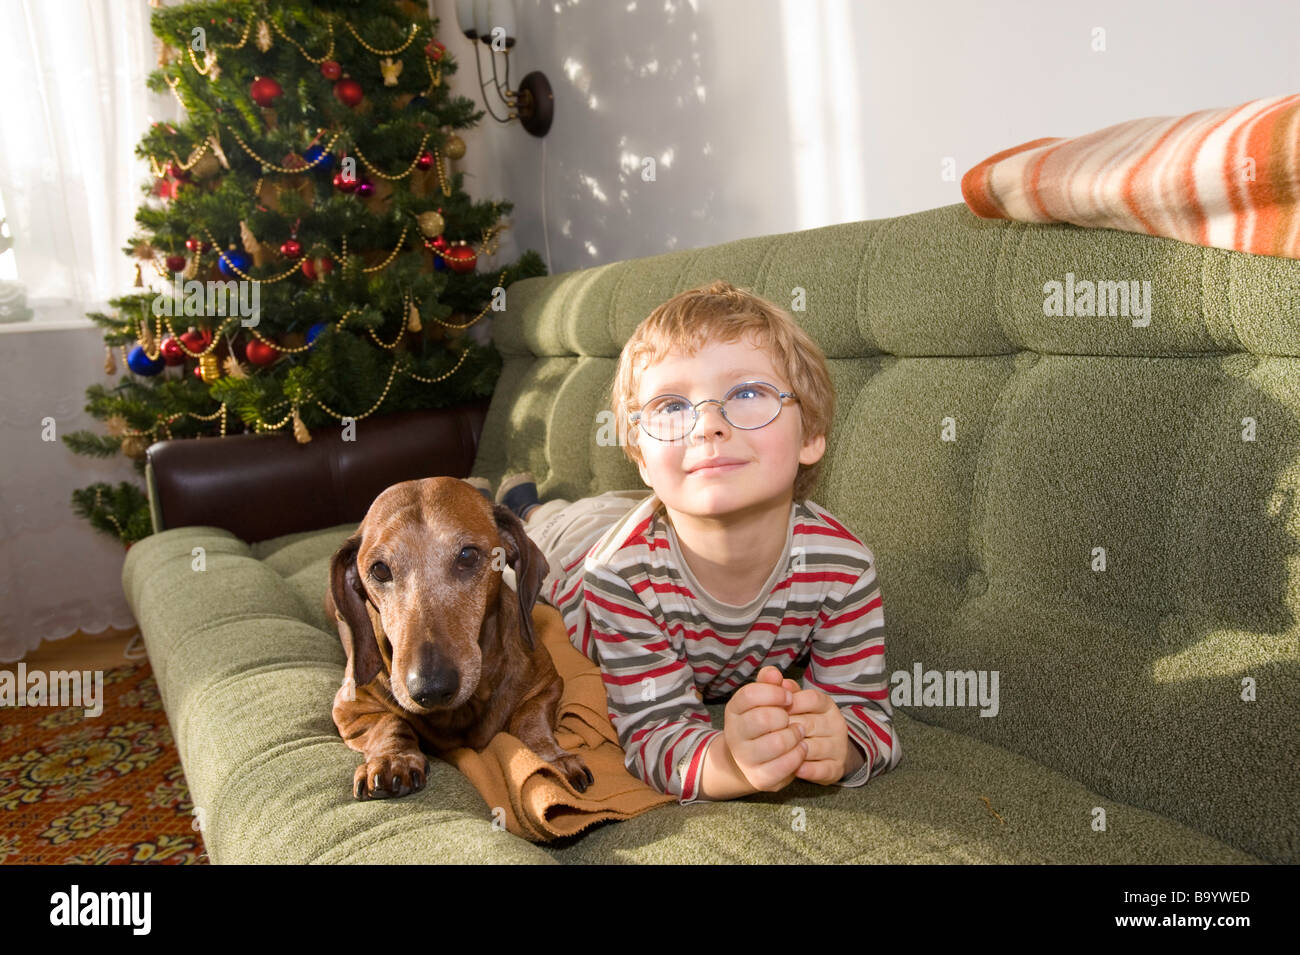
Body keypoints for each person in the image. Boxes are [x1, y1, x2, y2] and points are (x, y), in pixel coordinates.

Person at [477, 280, 901, 803]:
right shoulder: (616, 575)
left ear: (811, 435)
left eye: (746, 393)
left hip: (636, 516)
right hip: (573, 554)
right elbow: (656, 734)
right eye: (672, 405)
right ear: (642, 459)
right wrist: (732, 763)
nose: (707, 425)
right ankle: (526, 507)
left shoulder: (844, 567)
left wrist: (843, 746)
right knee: (536, 534)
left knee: (590, 513)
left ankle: (533, 502)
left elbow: (867, 717)